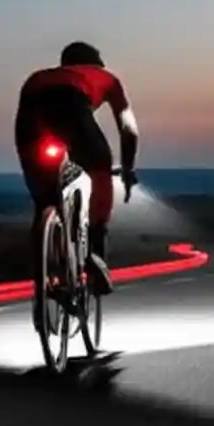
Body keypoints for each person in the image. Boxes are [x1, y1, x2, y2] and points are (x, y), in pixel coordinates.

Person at [14, 41, 139, 296]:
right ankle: (94, 254)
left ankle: (42, 273)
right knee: (99, 166)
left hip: (29, 120)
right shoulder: (106, 78)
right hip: (72, 108)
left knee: (44, 200)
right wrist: (127, 169)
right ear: (96, 62)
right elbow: (128, 129)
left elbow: (23, 120)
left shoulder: (39, 76)